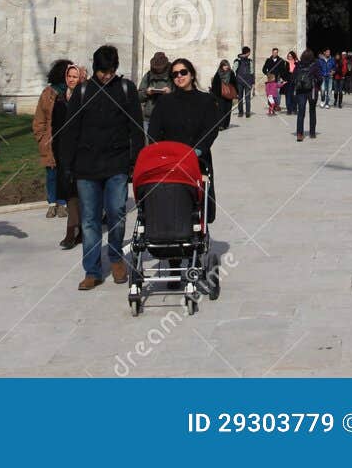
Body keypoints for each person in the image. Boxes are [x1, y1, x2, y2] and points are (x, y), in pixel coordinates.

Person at [58, 44, 145, 290]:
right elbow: (70, 130)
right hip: (86, 166)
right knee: (89, 219)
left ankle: (116, 257)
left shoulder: (125, 89)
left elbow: (136, 128)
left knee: (117, 212)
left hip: (117, 163)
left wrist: (136, 161)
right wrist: (66, 166)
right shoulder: (83, 91)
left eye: (111, 71)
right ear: (95, 69)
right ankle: (92, 270)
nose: (107, 76)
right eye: (103, 71)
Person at [147, 58, 228, 221]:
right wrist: (161, 154)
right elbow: (154, 131)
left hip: (198, 159)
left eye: (183, 72)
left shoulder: (206, 100)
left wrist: (197, 150)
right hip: (171, 162)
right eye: (175, 74)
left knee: (198, 206)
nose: (179, 76)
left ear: (191, 75)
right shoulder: (164, 102)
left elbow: (211, 129)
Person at [33, 58, 83, 247]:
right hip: (53, 143)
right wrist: (42, 138)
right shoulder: (50, 94)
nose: (70, 79)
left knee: (72, 182)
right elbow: (40, 119)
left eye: (74, 76)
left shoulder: (81, 94)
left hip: (76, 149)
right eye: (68, 75)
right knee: (53, 174)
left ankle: (70, 216)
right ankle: (53, 203)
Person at [138, 51, 174, 125]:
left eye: (160, 67)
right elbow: (138, 97)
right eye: (157, 68)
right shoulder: (148, 75)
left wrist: (170, 93)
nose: (158, 70)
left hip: (168, 118)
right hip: (148, 118)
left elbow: (181, 96)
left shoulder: (173, 75)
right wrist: (146, 93)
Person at [293, 49, 320, 140]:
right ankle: (312, 133)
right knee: (312, 111)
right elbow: (320, 78)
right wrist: (317, 85)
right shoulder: (315, 65)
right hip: (312, 91)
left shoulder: (298, 65)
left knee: (301, 112)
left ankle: (299, 134)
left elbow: (293, 77)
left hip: (300, 90)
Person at [212, 59, 238, 130]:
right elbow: (214, 84)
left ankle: (226, 124)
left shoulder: (231, 73)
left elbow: (235, 83)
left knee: (228, 110)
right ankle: (221, 125)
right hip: (220, 95)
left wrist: (237, 92)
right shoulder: (218, 73)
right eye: (224, 65)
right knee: (220, 110)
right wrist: (214, 94)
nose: (226, 67)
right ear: (221, 66)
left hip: (229, 94)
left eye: (227, 65)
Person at [234, 47, 255, 119]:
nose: (249, 54)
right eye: (249, 52)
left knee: (247, 98)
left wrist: (253, 82)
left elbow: (251, 72)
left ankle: (247, 112)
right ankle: (240, 112)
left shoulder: (250, 61)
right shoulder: (237, 61)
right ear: (247, 53)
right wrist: (234, 81)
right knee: (240, 98)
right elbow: (233, 70)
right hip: (239, 82)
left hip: (248, 82)